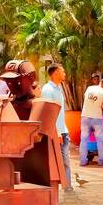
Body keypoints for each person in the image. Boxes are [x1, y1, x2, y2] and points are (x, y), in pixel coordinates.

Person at [41, 64, 76, 192]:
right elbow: (49, 112)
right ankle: (62, 186)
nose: (64, 74)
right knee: (60, 160)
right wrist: (57, 131)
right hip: (57, 132)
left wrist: (64, 130)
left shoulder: (57, 88)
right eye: (62, 71)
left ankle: (67, 186)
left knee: (65, 161)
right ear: (55, 73)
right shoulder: (48, 89)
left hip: (62, 131)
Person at [78, 72, 103, 167]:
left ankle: (83, 161)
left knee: (83, 139)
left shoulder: (89, 88)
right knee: (100, 140)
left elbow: (86, 100)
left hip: (85, 116)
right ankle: (101, 161)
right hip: (97, 118)